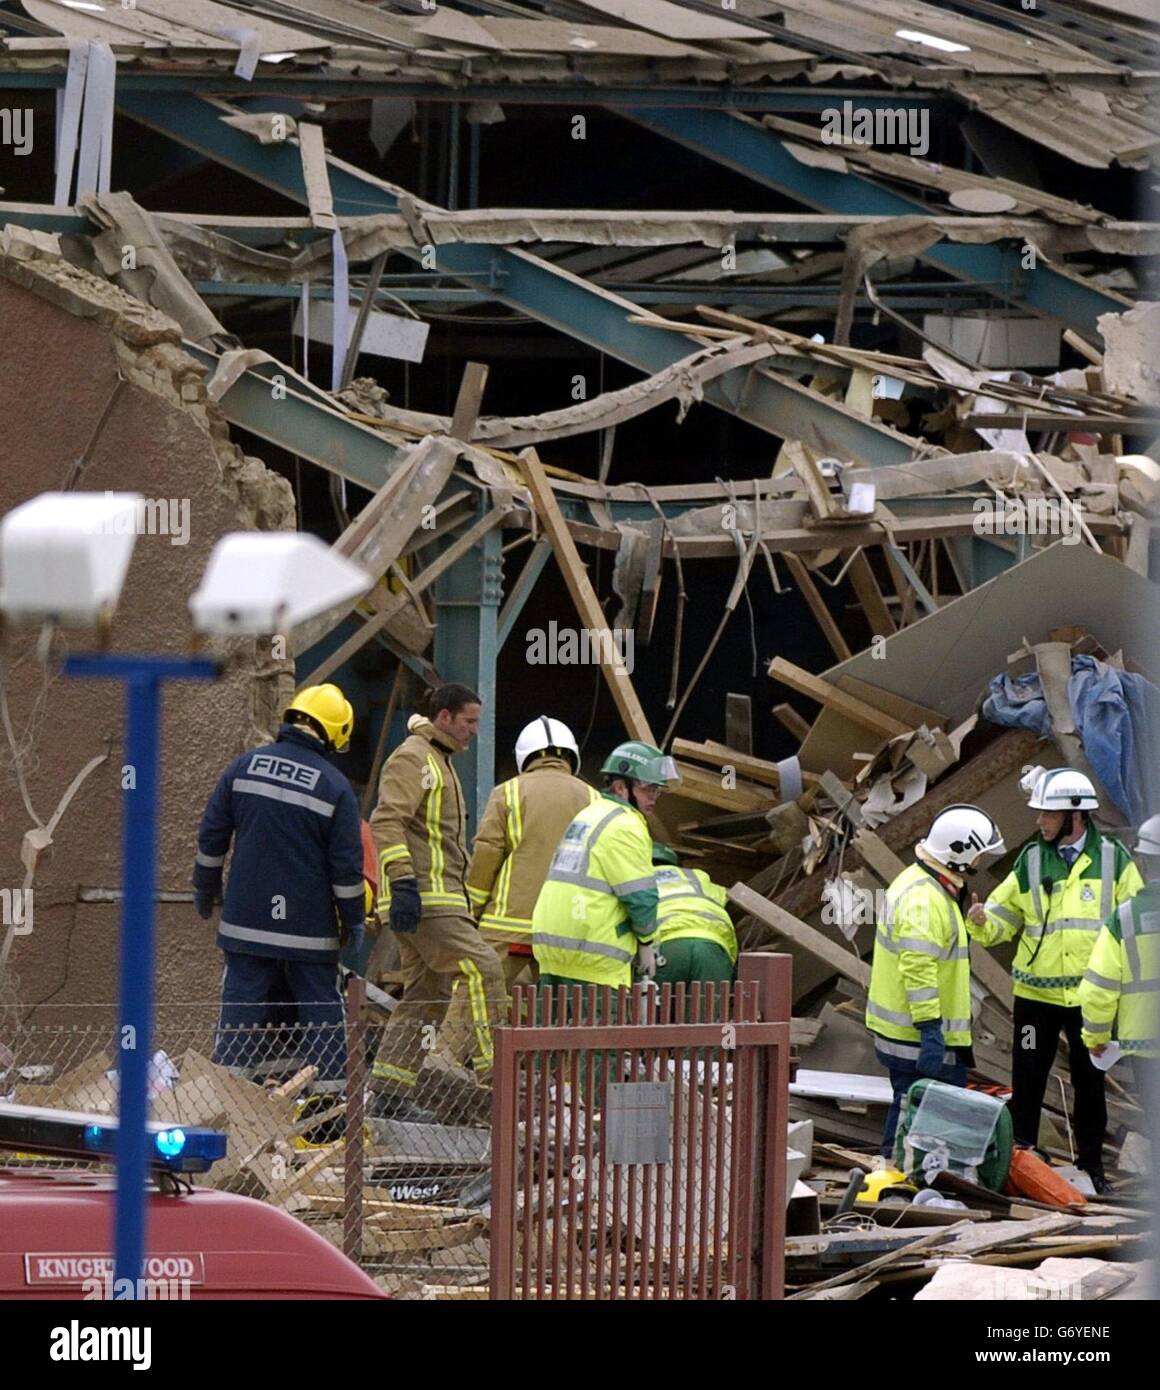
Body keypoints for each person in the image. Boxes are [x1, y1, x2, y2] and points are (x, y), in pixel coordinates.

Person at [968, 767, 1142, 1193]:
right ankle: (1023, 1158)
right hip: (1035, 1000)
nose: (1039, 821)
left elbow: (1133, 926)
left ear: (1075, 816)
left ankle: (1090, 1165)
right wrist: (980, 922)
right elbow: (1003, 921)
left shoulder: (1114, 860)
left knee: (1089, 1083)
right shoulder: (1029, 860)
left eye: (1047, 814)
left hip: (1089, 1000)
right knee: (1027, 1076)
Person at [193, 683, 366, 1096]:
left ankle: (228, 1101)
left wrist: (205, 888)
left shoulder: (243, 766)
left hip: (247, 922)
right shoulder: (335, 787)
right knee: (321, 1009)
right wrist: (354, 920)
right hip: (308, 929)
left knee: (241, 1008)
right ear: (335, 732)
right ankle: (327, 1110)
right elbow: (346, 870)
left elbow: (212, 837)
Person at [368, 683, 506, 1117]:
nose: (474, 731)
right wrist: (404, 882)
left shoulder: (437, 760)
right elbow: (387, 821)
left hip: (432, 898)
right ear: (443, 717)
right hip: (428, 900)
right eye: (469, 721)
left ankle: (390, 1094)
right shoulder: (415, 758)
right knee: (483, 968)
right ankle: (497, 1073)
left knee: (426, 996)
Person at [866, 804, 1005, 1158]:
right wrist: (930, 1028)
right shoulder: (925, 899)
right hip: (918, 1037)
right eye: (978, 856)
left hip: (915, 1033)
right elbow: (919, 967)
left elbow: (939, 953)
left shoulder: (927, 884)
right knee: (916, 1115)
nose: (979, 864)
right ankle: (897, 1173)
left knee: (914, 1112)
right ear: (959, 853)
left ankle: (903, 1173)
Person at [531, 741, 679, 994]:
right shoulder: (626, 825)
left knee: (553, 1032)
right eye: (647, 789)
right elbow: (640, 897)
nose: (653, 798)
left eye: (657, 790)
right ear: (621, 787)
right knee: (600, 1034)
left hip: (553, 951)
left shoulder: (589, 814)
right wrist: (647, 942)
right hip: (594, 958)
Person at [466, 716, 598, 991]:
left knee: (476, 999)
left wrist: (471, 912)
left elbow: (486, 858)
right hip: (568, 928)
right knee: (555, 1010)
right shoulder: (594, 799)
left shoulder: (507, 793)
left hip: (508, 927)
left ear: (524, 757)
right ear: (571, 756)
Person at [1079, 813, 1160, 1081]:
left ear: (1143, 863)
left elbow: (1097, 990)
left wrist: (1097, 1038)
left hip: (1146, 1046)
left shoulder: (1125, 919)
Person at [650, 843, 737, 992]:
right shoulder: (697, 877)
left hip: (663, 948)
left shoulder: (629, 883)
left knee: (651, 1013)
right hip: (712, 947)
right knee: (707, 1013)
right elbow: (730, 897)